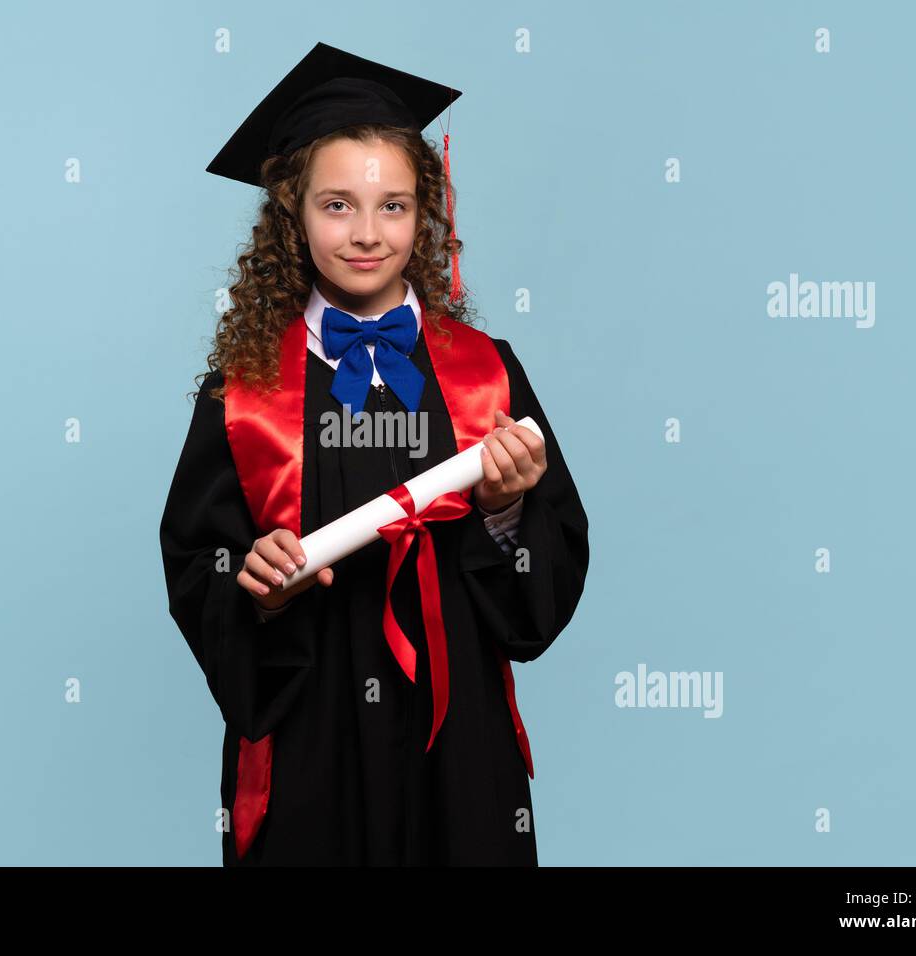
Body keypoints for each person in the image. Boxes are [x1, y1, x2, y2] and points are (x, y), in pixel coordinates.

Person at [160, 41, 590, 865]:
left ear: (426, 213)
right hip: (309, 733)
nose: (366, 233)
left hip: (457, 732)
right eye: (337, 206)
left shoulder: (486, 374)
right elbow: (195, 566)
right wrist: (255, 587)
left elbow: (551, 577)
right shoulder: (242, 392)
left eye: (393, 206)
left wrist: (505, 510)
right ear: (293, 214)